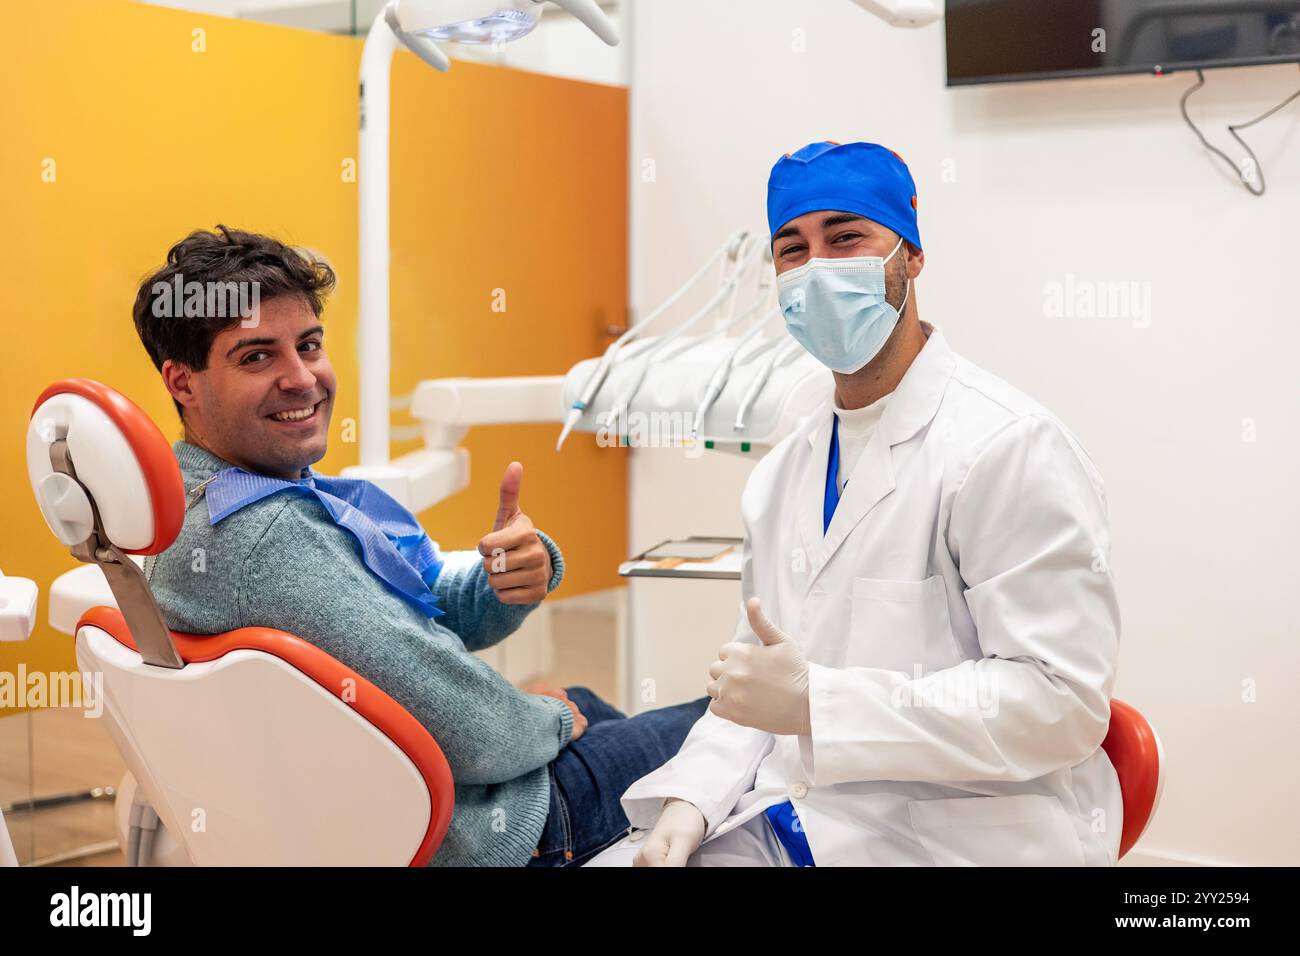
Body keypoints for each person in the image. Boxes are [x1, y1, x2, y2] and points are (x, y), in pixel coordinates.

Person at [587, 141, 1122, 867]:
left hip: (961, 837)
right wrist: (688, 803)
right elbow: (760, 681)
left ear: (911, 255)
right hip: (794, 817)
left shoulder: (1007, 447)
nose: (817, 270)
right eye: (792, 250)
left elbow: (1059, 705)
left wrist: (821, 706)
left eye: (846, 238)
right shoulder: (784, 472)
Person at [131, 225, 708, 867]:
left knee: (591, 705)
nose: (303, 379)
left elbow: (416, 612)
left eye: (309, 345)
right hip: (500, 831)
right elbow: (481, 737)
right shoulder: (267, 538)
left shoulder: (192, 507)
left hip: (408, 810)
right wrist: (547, 717)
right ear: (182, 382)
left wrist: (500, 582)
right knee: (732, 721)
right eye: (257, 357)